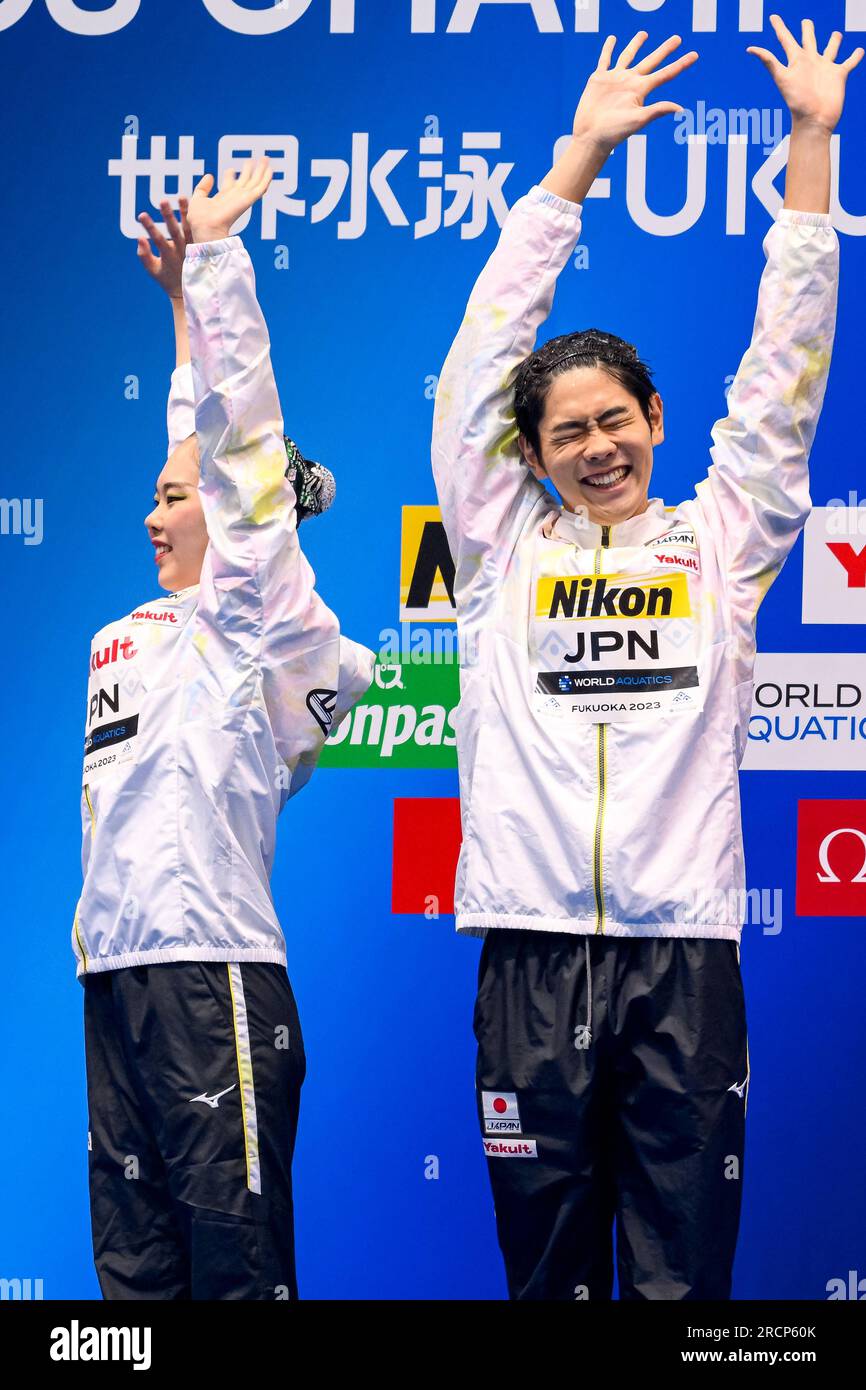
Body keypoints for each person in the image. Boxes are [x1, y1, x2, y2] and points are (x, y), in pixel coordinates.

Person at [432, 19, 860, 1300]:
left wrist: (808, 145)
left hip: (682, 957)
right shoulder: (500, 547)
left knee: (684, 1286)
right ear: (535, 453)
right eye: (565, 431)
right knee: (547, 1278)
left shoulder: (722, 542)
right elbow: (472, 380)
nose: (594, 446)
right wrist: (567, 176)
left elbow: (785, 375)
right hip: (526, 950)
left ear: (654, 420)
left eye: (614, 418)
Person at [75, 158, 374, 1300]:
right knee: (135, 1284)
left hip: (214, 983)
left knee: (233, 1277)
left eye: (173, 498)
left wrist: (218, 269)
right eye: (151, 494)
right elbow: (201, 435)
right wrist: (177, 316)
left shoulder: (258, 621)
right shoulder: (129, 627)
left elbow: (237, 445)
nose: (153, 513)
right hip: (114, 975)